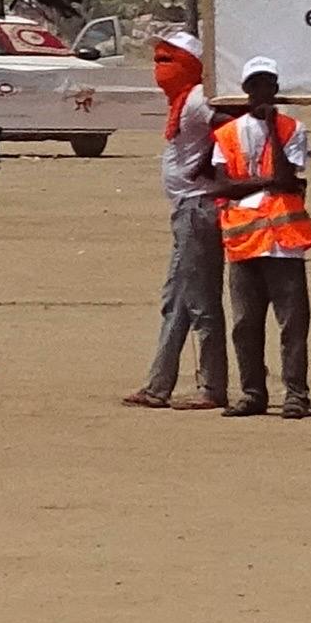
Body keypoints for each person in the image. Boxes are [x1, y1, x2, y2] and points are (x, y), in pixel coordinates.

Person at [125, 28, 230, 411]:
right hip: (186, 209)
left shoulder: (199, 99)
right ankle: (159, 384)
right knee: (177, 299)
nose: (160, 67)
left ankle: (212, 387)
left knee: (201, 301)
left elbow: (231, 126)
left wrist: (208, 163)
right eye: (158, 59)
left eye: (169, 59)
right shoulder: (182, 101)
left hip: (199, 208)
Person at [212, 58, 311, 418]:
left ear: (275, 89)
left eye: (268, 85)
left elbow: (287, 178)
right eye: (255, 85)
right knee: (245, 325)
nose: (262, 92)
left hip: (284, 242)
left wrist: (273, 128)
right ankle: (252, 393)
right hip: (243, 243)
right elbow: (224, 185)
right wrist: (266, 181)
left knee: (293, 324)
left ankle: (295, 395)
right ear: (246, 91)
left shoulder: (292, 128)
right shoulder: (227, 134)